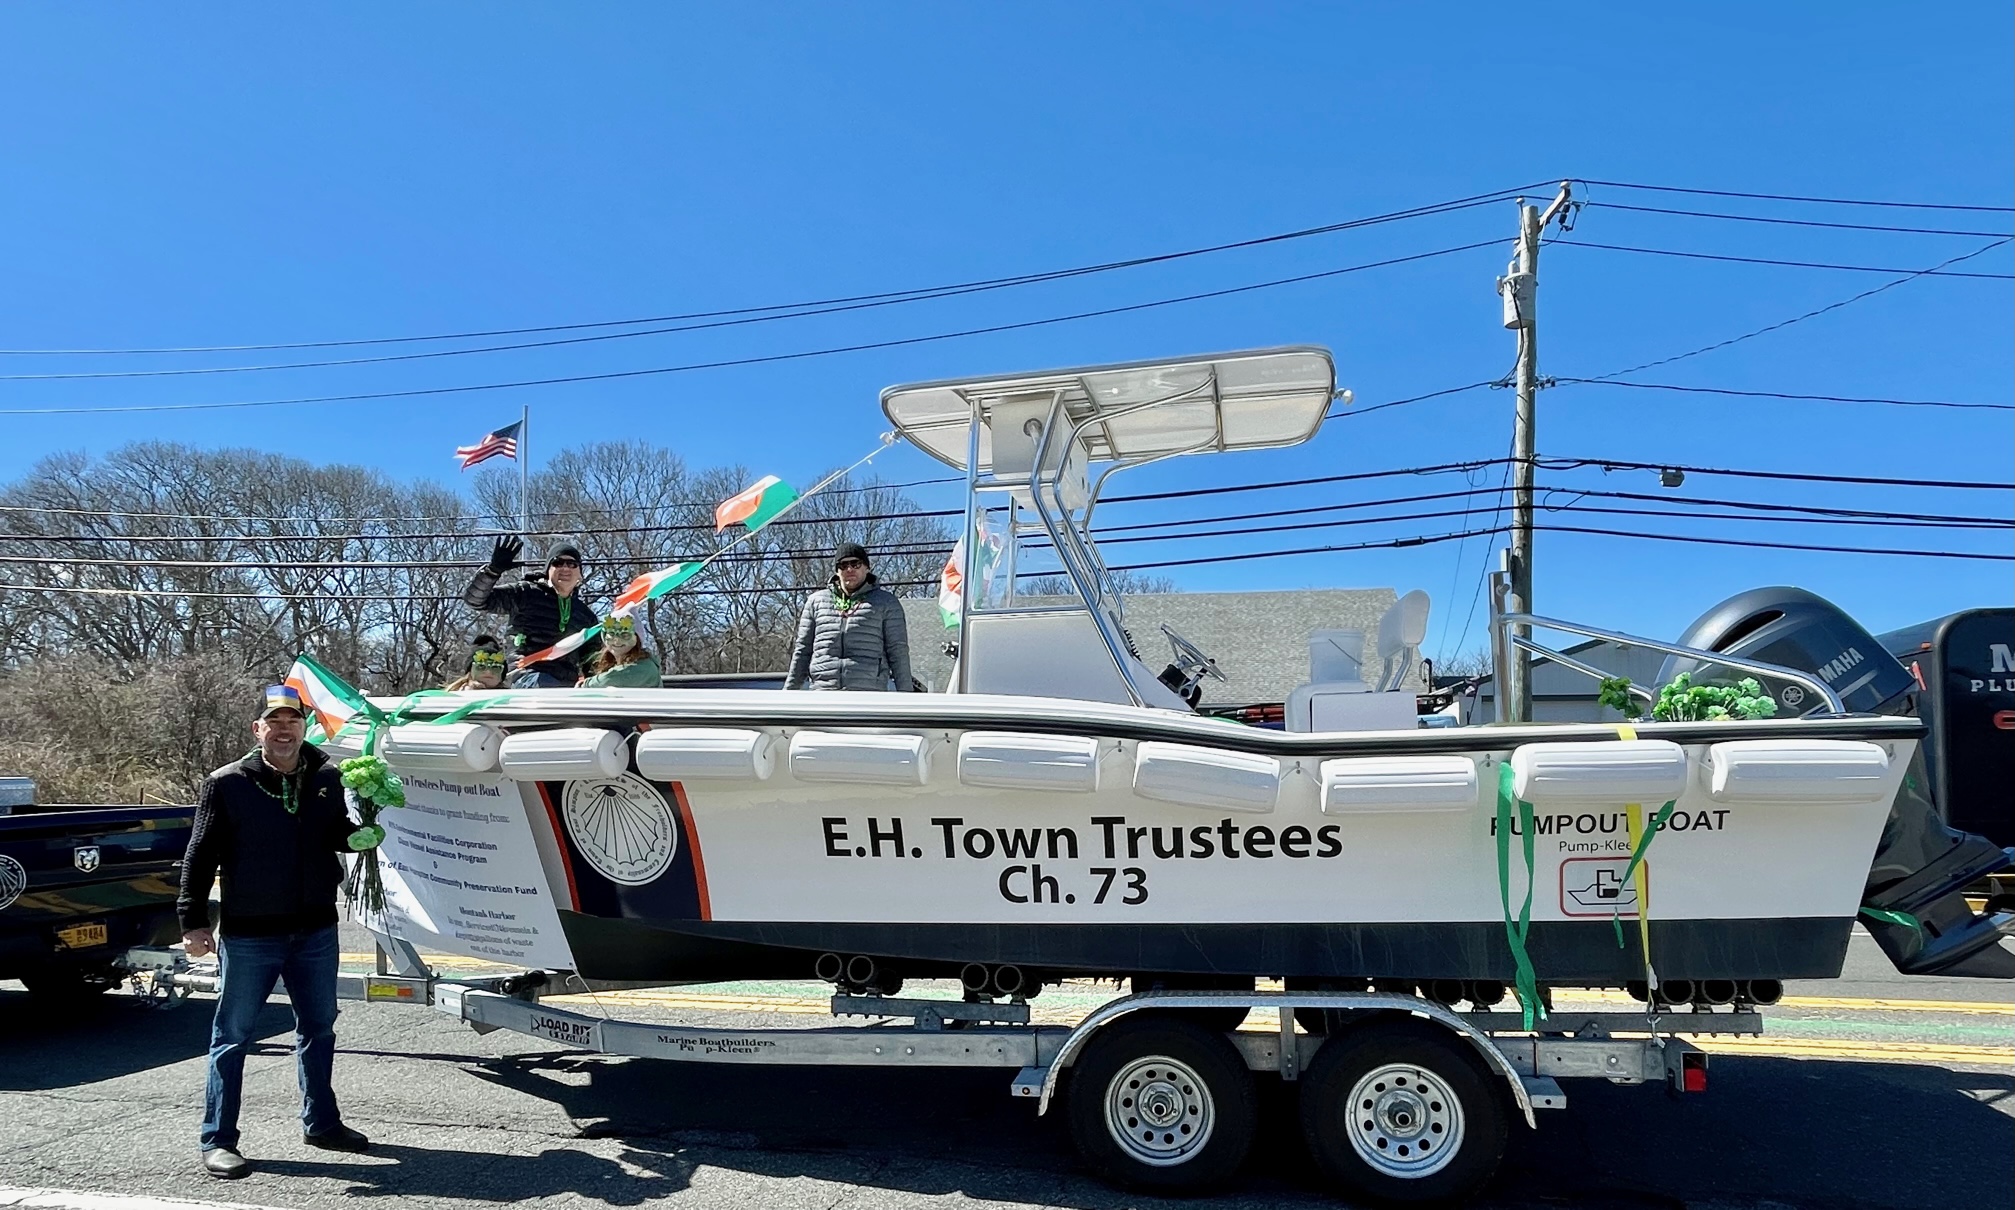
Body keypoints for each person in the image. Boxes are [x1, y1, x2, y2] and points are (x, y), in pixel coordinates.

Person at [177, 685, 372, 1180]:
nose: (284, 730)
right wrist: (193, 922)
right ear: (258, 729)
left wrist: (361, 832)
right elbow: (200, 856)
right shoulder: (226, 784)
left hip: (315, 930)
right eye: (274, 722)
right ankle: (218, 1140)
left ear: (302, 727)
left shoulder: (328, 776)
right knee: (234, 1035)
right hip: (251, 933)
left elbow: (332, 834)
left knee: (319, 1028)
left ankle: (322, 1123)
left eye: (292, 722)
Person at [464, 536, 599, 687]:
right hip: (526, 675)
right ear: (548, 570)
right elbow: (476, 601)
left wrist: (597, 686)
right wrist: (492, 571)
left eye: (572, 564)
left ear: (580, 574)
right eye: (557, 563)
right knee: (544, 684)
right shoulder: (526, 593)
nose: (565, 568)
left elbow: (591, 660)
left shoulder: (585, 615)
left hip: (566, 685)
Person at [784, 542, 917, 691]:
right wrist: (788, 693)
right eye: (843, 565)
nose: (849, 569)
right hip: (823, 692)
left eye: (855, 564)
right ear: (836, 571)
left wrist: (906, 694)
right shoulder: (816, 601)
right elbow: (803, 650)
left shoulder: (887, 602)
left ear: (867, 567)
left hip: (868, 694)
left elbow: (898, 651)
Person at [578, 612, 662, 687]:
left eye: (625, 635)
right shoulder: (609, 666)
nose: (617, 641)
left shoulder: (645, 667)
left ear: (637, 639)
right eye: (611, 634)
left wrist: (586, 684)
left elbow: (612, 678)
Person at [443, 634, 507, 691]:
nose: (488, 672)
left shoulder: (512, 699)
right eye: (481, 666)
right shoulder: (452, 695)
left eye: (495, 667)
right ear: (470, 671)